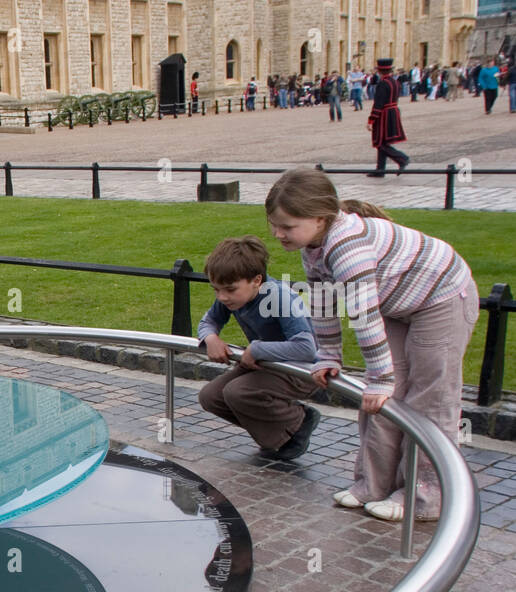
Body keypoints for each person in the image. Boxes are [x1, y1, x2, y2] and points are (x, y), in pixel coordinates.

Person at [265, 168, 478, 522]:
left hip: (442, 297)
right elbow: (323, 304)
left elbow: (364, 317)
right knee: (379, 402)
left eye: (287, 226)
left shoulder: (347, 247)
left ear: (320, 218)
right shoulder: (314, 246)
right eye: (274, 224)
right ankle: (373, 485)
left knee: (429, 398)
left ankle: (424, 497)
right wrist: (328, 356)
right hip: (401, 302)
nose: (277, 233)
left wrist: (380, 377)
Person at [196, 236, 321, 460]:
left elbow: (306, 348)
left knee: (238, 393)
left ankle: (299, 422)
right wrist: (211, 338)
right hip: (265, 363)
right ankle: (281, 432)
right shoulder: (232, 298)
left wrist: (258, 349)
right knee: (211, 396)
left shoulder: (279, 297)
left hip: (301, 370)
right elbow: (208, 322)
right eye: (216, 290)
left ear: (256, 280)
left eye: (230, 289)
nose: (222, 297)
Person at [366, 58, 408, 177]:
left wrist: (371, 119)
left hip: (384, 114)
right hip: (393, 111)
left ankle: (402, 158)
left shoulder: (383, 84)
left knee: (380, 143)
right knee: (383, 142)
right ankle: (380, 169)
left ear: (380, 71)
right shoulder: (395, 82)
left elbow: (378, 103)